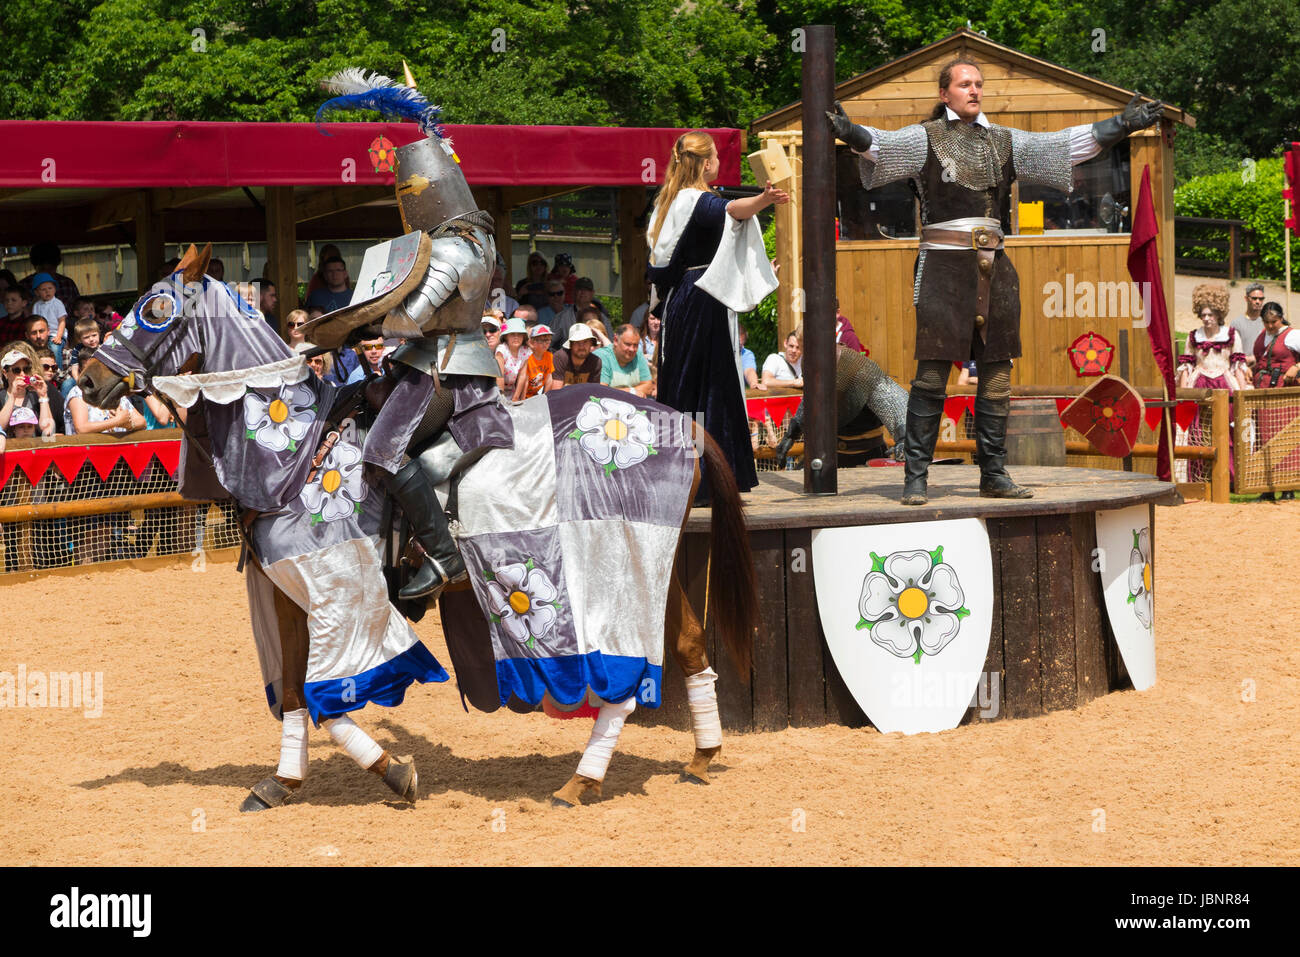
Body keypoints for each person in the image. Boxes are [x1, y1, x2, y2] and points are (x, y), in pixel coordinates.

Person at [828, 57, 1163, 504]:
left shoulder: (1005, 141)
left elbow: (1062, 147)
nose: (974, 90)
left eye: (979, 84)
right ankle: (916, 477)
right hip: (942, 268)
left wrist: (1121, 124)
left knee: (997, 375)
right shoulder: (924, 138)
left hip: (996, 266)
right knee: (931, 374)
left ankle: (994, 473)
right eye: (964, 84)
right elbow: (882, 146)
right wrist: (851, 133)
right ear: (944, 94)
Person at [647, 130, 787, 500]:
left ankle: (677, 476)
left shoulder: (668, 201)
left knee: (681, 387)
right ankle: (712, 479)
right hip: (704, 299)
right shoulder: (700, 200)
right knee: (713, 387)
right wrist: (764, 199)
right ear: (707, 163)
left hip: (681, 299)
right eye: (717, 158)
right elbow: (728, 210)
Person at [1177, 284, 1249, 484]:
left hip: (1224, 384)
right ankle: (1200, 477)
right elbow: (1186, 367)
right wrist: (1184, 394)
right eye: (1203, 315)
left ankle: (1230, 478)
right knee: (1199, 430)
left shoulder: (1231, 335)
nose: (1206, 318)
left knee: (1226, 430)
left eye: (1210, 314)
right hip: (1199, 384)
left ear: (1219, 314)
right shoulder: (1194, 336)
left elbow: (1238, 366)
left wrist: (1242, 393)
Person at [1250, 302, 1300, 500]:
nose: (1271, 326)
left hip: (1284, 392)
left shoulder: (1293, 335)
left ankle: (1288, 487)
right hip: (1264, 391)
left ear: (1281, 318)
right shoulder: (1263, 336)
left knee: (1284, 439)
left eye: (1274, 321)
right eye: (1267, 322)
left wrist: (1296, 367)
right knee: (1265, 438)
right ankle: (1267, 488)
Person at [1, 345, 56, 437]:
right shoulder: (1, 397)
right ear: (5, 373)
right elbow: (0, 427)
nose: (22, 374)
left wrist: (43, 396)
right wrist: (13, 396)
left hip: (32, 449)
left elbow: (48, 431)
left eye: (26, 369)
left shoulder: (34, 396)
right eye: (16, 370)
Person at [596, 324, 654, 397]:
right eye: (628, 344)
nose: (632, 349)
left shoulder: (638, 354)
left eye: (635, 345)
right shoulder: (602, 357)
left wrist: (616, 392)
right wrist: (632, 392)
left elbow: (649, 387)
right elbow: (602, 391)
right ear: (616, 340)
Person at [28, 273, 68, 367]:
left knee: (54, 349)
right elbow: (34, 321)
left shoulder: (57, 303)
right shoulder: (37, 305)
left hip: (55, 334)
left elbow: (62, 321)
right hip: (41, 335)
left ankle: (58, 370)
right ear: (37, 292)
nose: (47, 291)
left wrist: (59, 336)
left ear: (55, 289)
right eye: (43, 289)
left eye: (50, 288)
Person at [551, 322, 603, 389]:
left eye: (585, 341)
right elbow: (556, 392)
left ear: (591, 343)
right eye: (577, 342)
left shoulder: (596, 362)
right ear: (570, 344)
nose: (581, 346)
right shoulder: (560, 357)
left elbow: (594, 392)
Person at [1232, 283, 1268, 370]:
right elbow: (1233, 350)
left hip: (1264, 368)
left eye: (1261, 299)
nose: (1258, 302)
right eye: (1254, 298)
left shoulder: (1269, 322)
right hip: (1244, 368)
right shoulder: (1237, 323)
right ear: (1246, 299)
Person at [515, 324, 555, 400]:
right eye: (541, 340)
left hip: (535, 395)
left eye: (548, 340)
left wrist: (546, 398)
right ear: (532, 341)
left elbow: (549, 378)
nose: (545, 344)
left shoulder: (549, 356)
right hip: (523, 396)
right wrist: (523, 401)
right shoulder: (528, 357)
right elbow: (525, 381)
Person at [495, 316, 529, 395]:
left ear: (524, 337)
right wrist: (501, 397)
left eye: (519, 334)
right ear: (506, 336)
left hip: (512, 389)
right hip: (497, 389)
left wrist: (516, 397)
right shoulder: (502, 350)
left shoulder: (525, 351)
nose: (516, 337)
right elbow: (499, 375)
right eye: (512, 334)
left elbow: (522, 375)